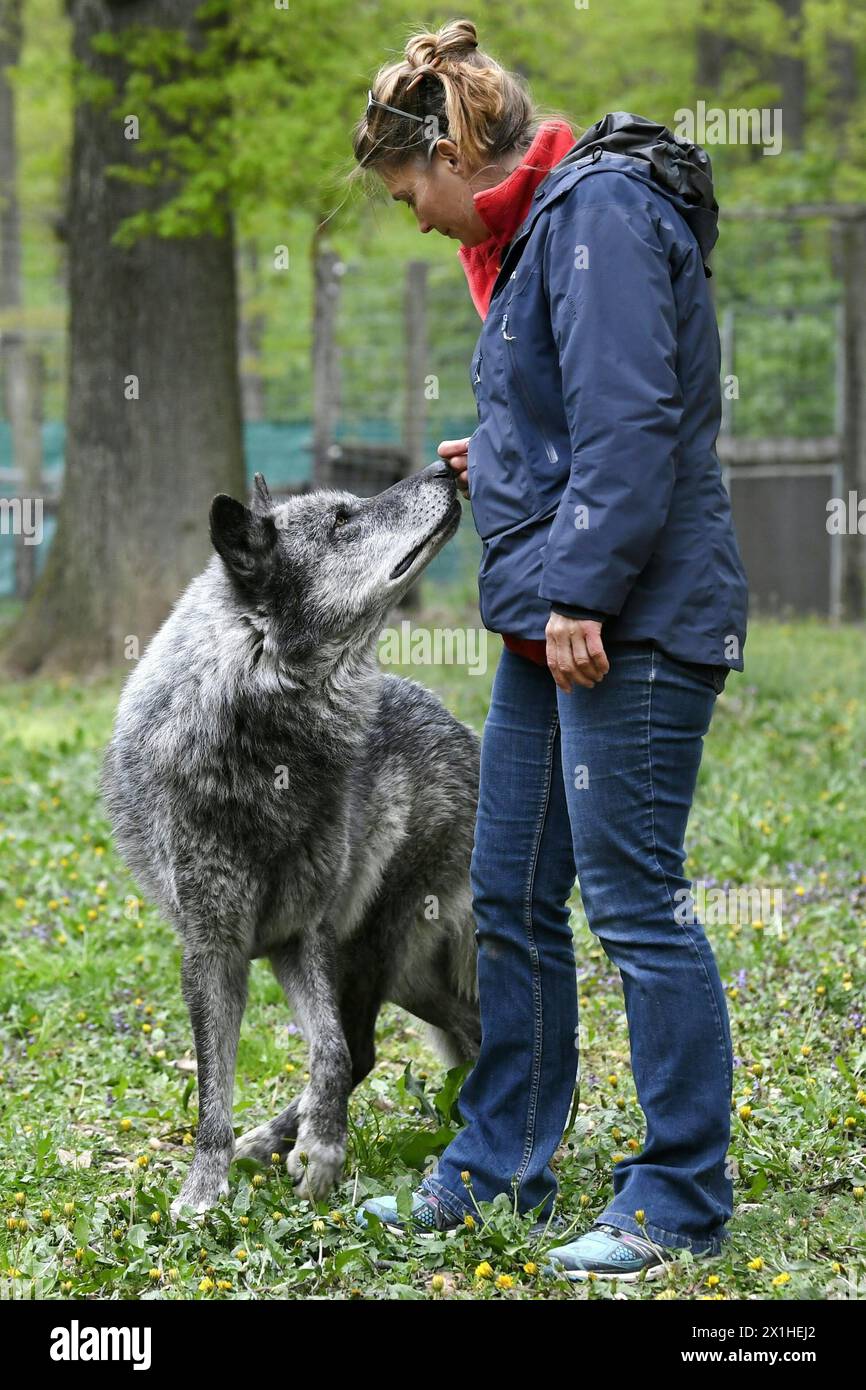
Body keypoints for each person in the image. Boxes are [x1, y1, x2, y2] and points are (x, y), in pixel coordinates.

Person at [350, 18, 749, 1281]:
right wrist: (503, 458)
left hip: (622, 620)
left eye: (410, 188)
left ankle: (678, 1193)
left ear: (457, 152)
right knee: (511, 894)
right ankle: (496, 1163)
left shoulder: (599, 216)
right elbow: (573, 416)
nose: (413, 216)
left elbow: (633, 424)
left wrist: (577, 587)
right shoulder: (537, 238)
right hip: (553, 617)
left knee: (634, 903)